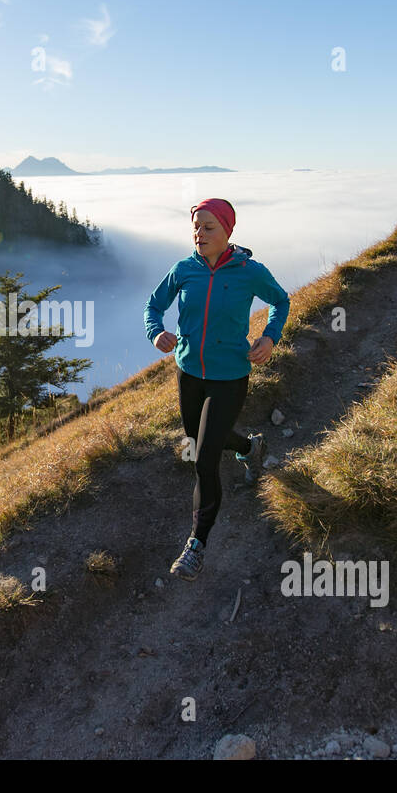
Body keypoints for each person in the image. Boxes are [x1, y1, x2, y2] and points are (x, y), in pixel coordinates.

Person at [143, 197, 291, 580]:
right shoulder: (183, 270)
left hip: (229, 375)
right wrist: (156, 332)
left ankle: (196, 545)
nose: (200, 233)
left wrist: (270, 337)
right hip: (189, 372)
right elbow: (152, 306)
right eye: (196, 227)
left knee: (204, 460)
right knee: (200, 437)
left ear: (228, 231)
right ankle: (249, 448)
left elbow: (281, 300)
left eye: (209, 227)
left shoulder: (249, 271)